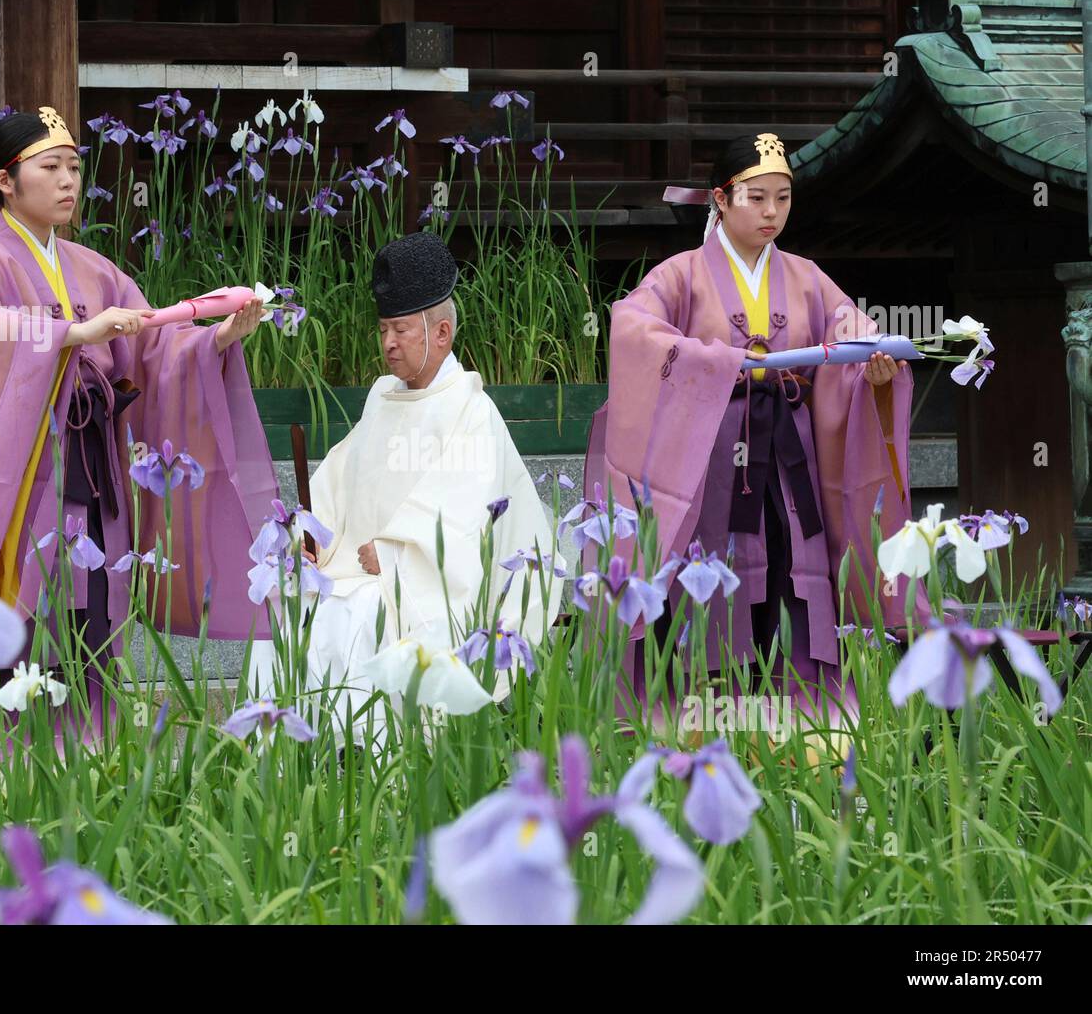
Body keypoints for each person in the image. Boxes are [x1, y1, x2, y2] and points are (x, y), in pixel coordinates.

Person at [0, 105, 279, 737]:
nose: (68, 181)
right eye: (50, 167)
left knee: (87, 604)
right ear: (6, 181)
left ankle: (84, 755)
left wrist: (215, 339)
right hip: (20, 475)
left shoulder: (92, 267)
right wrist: (69, 333)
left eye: (75, 168)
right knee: (15, 606)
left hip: (88, 462)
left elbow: (153, 345)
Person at [584, 132, 920, 745]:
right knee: (715, 579)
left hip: (791, 459)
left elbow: (853, 332)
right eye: (756, 197)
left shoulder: (809, 278)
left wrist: (872, 368)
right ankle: (701, 731)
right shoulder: (680, 275)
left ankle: (803, 731)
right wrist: (714, 365)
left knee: (796, 575)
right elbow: (633, 330)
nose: (771, 213)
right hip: (712, 459)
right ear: (720, 199)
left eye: (783, 199)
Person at [247, 231, 563, 748]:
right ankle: (291, 756)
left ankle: (374, 766)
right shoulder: (382, 396)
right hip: (354, 564)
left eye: (400, 330)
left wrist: (395, 551)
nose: (388, 343)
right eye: (383, 330)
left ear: (441, 333)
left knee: (361, 611)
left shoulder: (470, 408)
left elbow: (464, 515)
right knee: (288, 597)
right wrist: (307, 536)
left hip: (421, 583)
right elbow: (341, 479)